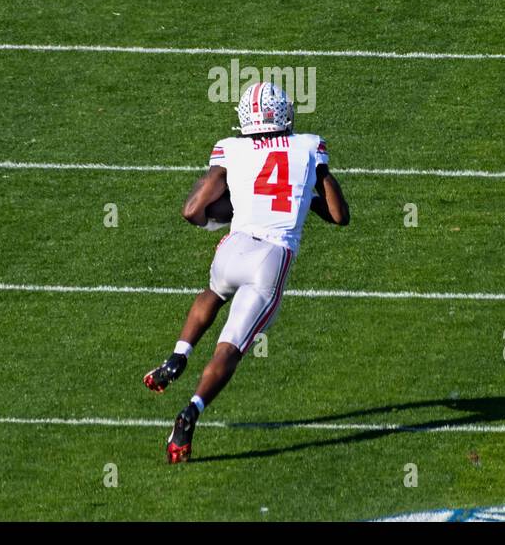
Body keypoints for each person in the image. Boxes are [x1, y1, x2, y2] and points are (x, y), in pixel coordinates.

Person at [143, 81, 350, 462]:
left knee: (213, 292)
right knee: (230, 348)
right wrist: (312, 193)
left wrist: (220, 217)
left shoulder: (231, 148)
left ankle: (178, 355)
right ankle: (192, 411)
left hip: (234, 246)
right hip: (271, 256)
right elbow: (340, 216)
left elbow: (192, 210)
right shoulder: (308, 146)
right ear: (284, 113)